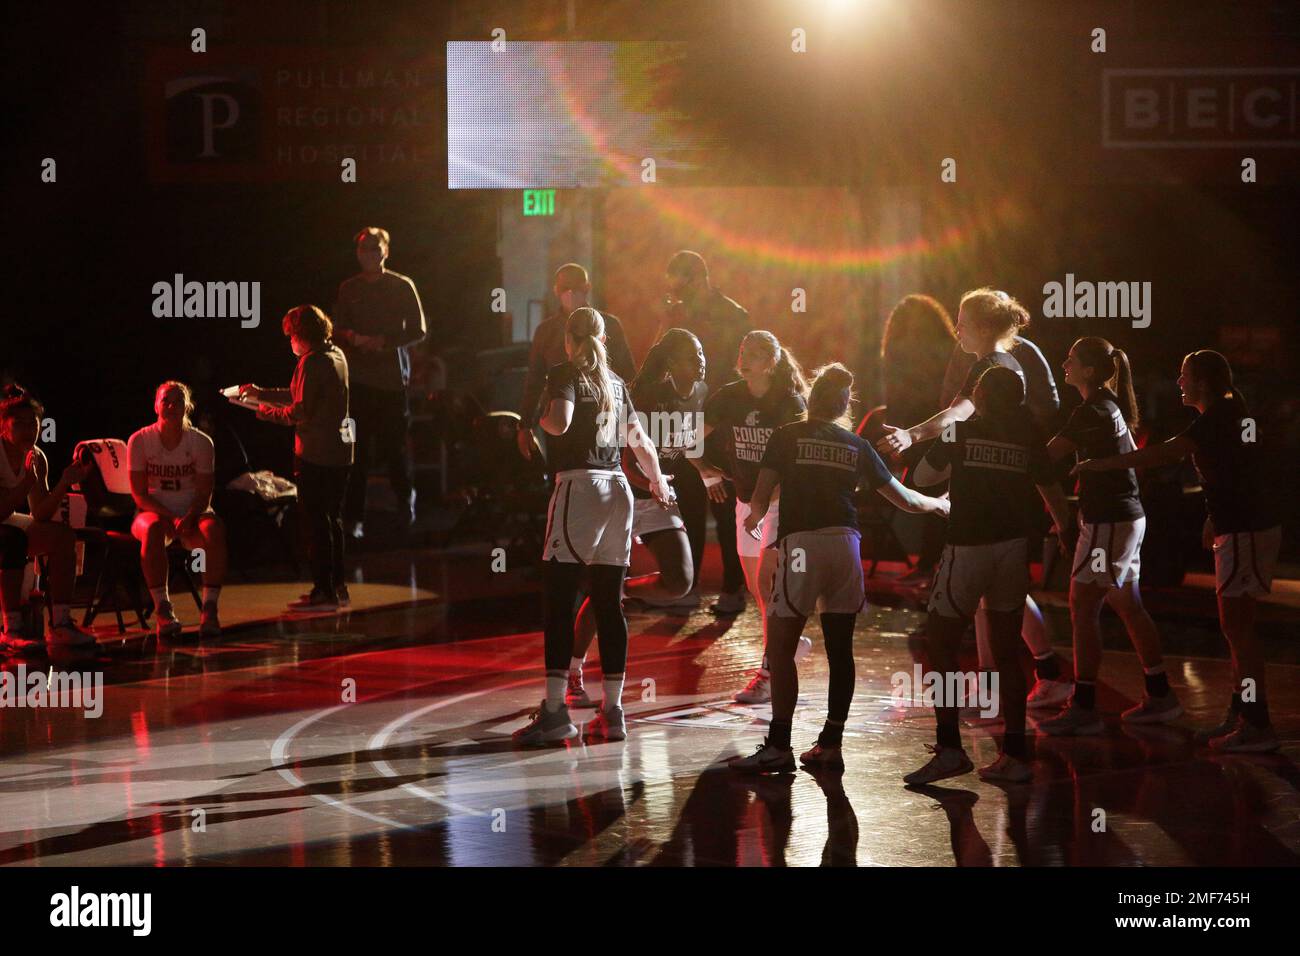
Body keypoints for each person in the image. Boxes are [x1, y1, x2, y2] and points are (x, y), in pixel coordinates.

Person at [728, 364, 950, 772]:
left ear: (811, 399)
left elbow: (760, 496)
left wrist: (755, 517)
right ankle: (831, 743)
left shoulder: (786, 436)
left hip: (802, 546)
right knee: (840, 650)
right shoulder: (856, 446)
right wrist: (941, 503)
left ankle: (779, 745)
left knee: (780, 646)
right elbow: (904, 499)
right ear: (846, 404)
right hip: (846, 546)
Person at [1074, 350, 1282, 752]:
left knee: (1239, 630)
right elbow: (1237, 471)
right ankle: (1242, 714)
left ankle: (1257, 723)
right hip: (1239, 527)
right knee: (1236, 628)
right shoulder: (1228, 410)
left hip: (1246, 531)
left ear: (1202, 381)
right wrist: (1213, 517)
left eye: (1184, 374)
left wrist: (1104, 464)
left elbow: (1165, 452)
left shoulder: (1217, 416)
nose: (1179, 381)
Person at [877, 289, 1062, 711]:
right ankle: (1009, 677)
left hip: (984, 508)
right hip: (1003, 506)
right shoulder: (1003, 361)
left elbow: (956, 413)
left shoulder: (992, 365)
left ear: (979, 326)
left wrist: (912, 435)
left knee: (966, 615)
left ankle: (1017, 678)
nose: (956, 328)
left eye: (960, 320)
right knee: (996, 600)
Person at [903, 366, 1072, 784]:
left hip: (967, 548)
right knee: (1007, 649)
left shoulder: (959, 433)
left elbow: (921, 477)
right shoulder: (1028, 436)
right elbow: (1052, 492)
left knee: (939, 643)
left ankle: (949, 747)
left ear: (979, 396)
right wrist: (1069, 531)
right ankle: (1015, 753)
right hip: (1014, 551)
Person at [513, 307, 673, 746]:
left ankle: (554, 711)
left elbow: (560, 422)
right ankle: (613, 710)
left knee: (560, 597)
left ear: (568, 340)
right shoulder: (617, 384)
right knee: (608, 601)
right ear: (603, 339)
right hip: (618, 491)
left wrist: (534, 420)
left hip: (579, 487)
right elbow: (640, 443)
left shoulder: (564, 372)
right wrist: (658, 483)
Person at [1035, 338, 1180, 734]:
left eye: (1071, 358)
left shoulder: (1092, 409)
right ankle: (1160, 693)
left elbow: (1045, 457)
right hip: (1126, 516)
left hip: (1109, 521)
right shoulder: (1110, 405)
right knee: (1127, 604)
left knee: (1083, 607)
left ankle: (1084, 706)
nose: (1064, 362)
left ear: (1090, 371)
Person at [566, 329, 708, 707]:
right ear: (673, 362)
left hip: (658, 496)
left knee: (680, 581)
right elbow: (628, 460)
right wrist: (654, 483)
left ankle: (623, 591)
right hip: (626, 493)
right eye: (693, 354)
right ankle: (573, 669)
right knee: (602, 589)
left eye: (701, 352)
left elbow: (688, 446)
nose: (701, 360)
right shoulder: (648, 398)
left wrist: (711, 474)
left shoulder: (698, 395)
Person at [699, 330, 811, 703]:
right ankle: (786, 644)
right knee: (757, 590)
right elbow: (690, 439)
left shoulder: (788, 402)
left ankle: (769, 670)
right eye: (742, 349)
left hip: (782, 502)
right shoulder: (729, 396)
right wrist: (708, 471)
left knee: (768, 587)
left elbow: (797, 461)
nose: (744, 357)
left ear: (771, 362)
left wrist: (768, 502)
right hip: (746, 503)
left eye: (754, 353)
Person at [243, 305, 353, 613]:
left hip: (316, 454)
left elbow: (299, 410)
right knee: (333, 520)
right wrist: (261, 393)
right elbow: (299, 393)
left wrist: (264, 412)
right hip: (341, 453)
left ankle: (323, 590)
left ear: (300, 335)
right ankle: (338, 586)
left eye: (291, 336)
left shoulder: (310, 362)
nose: (290, 342)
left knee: (316, 522)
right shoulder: (337, 355)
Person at [660, 250, 750, 614]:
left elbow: (740, 375)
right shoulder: (679, 317)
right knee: (688, 505)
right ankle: (690, 585)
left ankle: (733, 586)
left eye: (681, 289)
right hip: (684, 421)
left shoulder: (734, 316)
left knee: (726, 505)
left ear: (698, 279)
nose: (678, 297)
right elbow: (658, 363)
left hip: (721, 424)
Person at [333, 227, 426, 538]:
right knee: (355, 452)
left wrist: (384, 341)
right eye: (363, 250)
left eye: (374, 249)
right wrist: (352, 337)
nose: (369, 255)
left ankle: (405, 505)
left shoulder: (401, 285)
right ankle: (354, 518)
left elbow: (418, 329)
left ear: (385, 251)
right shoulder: (348, 288)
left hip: (390, 382)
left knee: (394, 450)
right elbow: (335, 327)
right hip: (357, 380)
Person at [128, 381, 228, 638]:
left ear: (187, 407)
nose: (171, 406)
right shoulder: (139, 440)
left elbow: (205, 493)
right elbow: (139, 495)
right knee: (150, 529)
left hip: (193, 512)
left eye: (178, 401)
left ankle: (209, 609)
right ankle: (163, 609)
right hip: (154, 512)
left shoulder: (202, 442)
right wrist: (171, 517)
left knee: (214, 530)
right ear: (156, 405)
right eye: (166, 400)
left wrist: (190, 516)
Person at [0, 385, 96, 647]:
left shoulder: (37, 457)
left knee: (63, 536)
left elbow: (40, 512)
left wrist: (64, 482)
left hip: (9, 524)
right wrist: (25, 482)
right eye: (19, 423)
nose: (28, 430)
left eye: (33, 423)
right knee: (11, 538)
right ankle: (12, 628)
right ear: (3, 427)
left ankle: (61, 623)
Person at [517, 263, 636, 463]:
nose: (570, 293)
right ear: (556, 290)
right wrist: (526, 424)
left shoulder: (610, 325)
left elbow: (628, 377)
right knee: (564, 474)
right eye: (565, 288)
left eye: (576, 287)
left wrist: (629, 425)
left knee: (603, 469)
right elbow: (534, 381)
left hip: (602, 418)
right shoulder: (546, 331)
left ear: (587, 287)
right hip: (562, 418)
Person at [877, 295, 958, 581]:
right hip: (945, 428)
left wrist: (901, 438)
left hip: (916, 430)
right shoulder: (949, 350)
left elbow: (895, 398)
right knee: (945, 494)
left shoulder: (897, 352)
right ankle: (939, 564)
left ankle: (928, 565)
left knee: (930, 496)